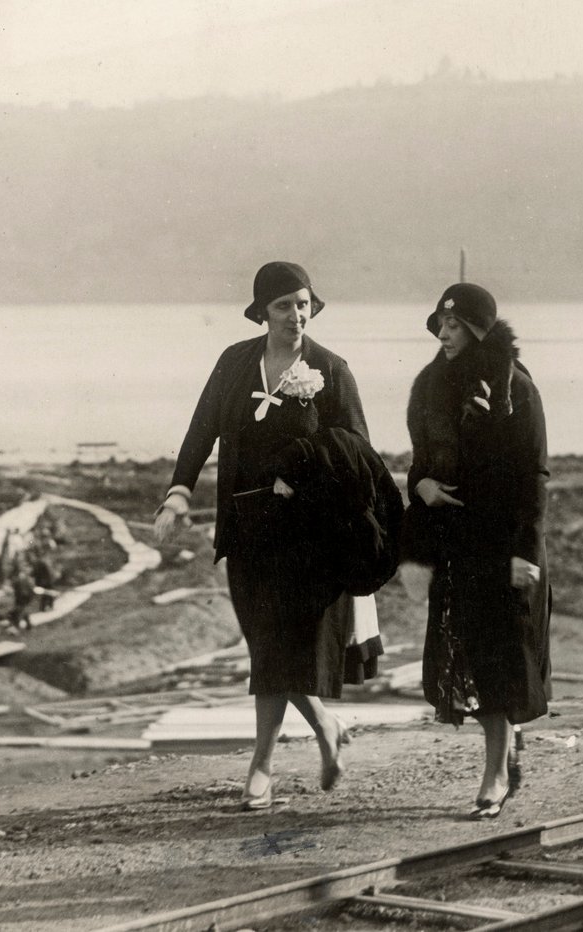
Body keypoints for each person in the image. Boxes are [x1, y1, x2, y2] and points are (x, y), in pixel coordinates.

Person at [155, 261, 399, 811]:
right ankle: (325, 725)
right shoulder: (235, 362)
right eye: (284, 305)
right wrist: (179, 491)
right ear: (262, 312)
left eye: (303, 303)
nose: (296, 315)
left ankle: (260, 768)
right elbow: (202, 429)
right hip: (247, 531)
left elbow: (357, 453)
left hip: (310, 539)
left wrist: (303, 468)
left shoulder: (331, 370)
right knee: (267, 648)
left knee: (275, 652)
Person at [399, 282, 551, 820]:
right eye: (440, 324)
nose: (443, 334)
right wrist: (421, 486)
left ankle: (495, 777)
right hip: (453, 545)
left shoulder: (516, 388)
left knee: (496, 657)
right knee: (469, 654)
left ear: (478, 330)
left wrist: (524, 552)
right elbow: (420, 461)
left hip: (502, 545)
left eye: (455, 325)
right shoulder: (430, 385)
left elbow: (533, 477)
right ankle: (503, 755)